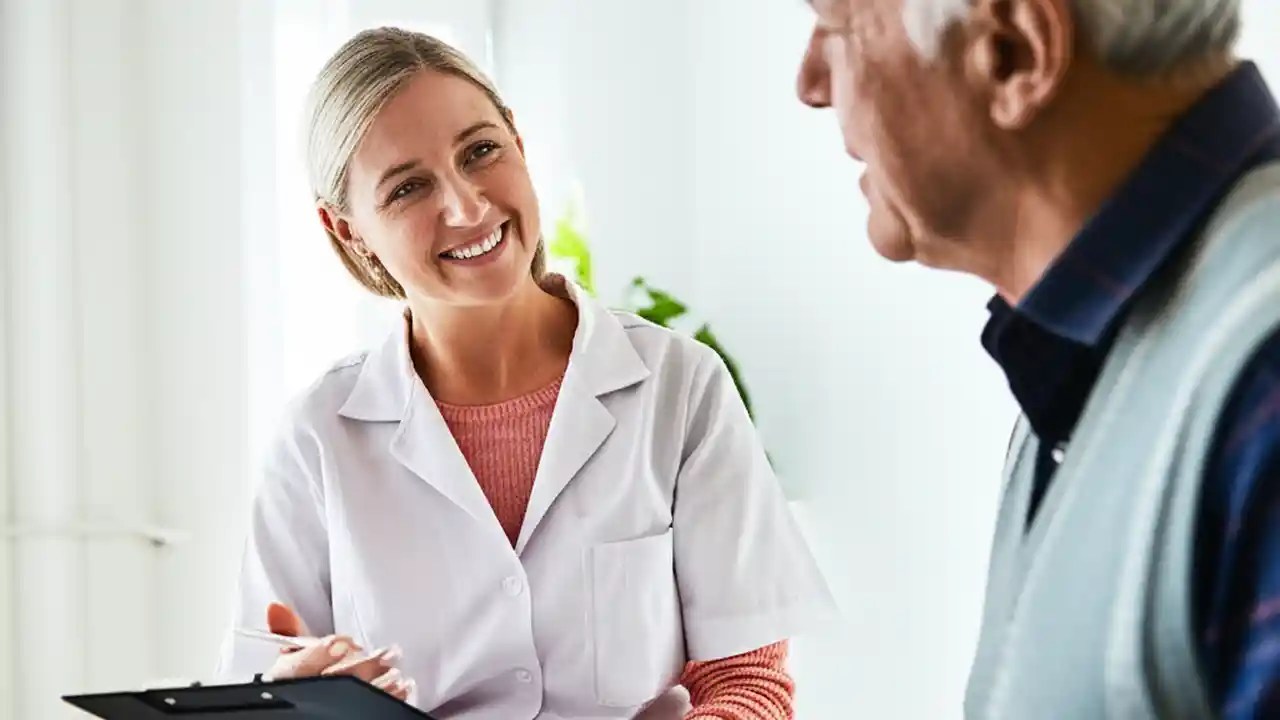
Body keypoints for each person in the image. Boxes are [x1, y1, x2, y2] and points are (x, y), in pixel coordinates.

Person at [216, 26, 833, 720]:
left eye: (480, 151)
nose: (466, 206)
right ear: (346, 229)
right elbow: (263, 697)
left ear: (518, 140)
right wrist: (291, 698)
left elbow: (749, 681)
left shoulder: (679, 389)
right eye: (408, 187)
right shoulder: (317, 438)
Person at [796, 0, 1280, 718]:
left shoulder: (1259, 371)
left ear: (1014, 51)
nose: (809, 82)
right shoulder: (1080, 353)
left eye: (837, 28)